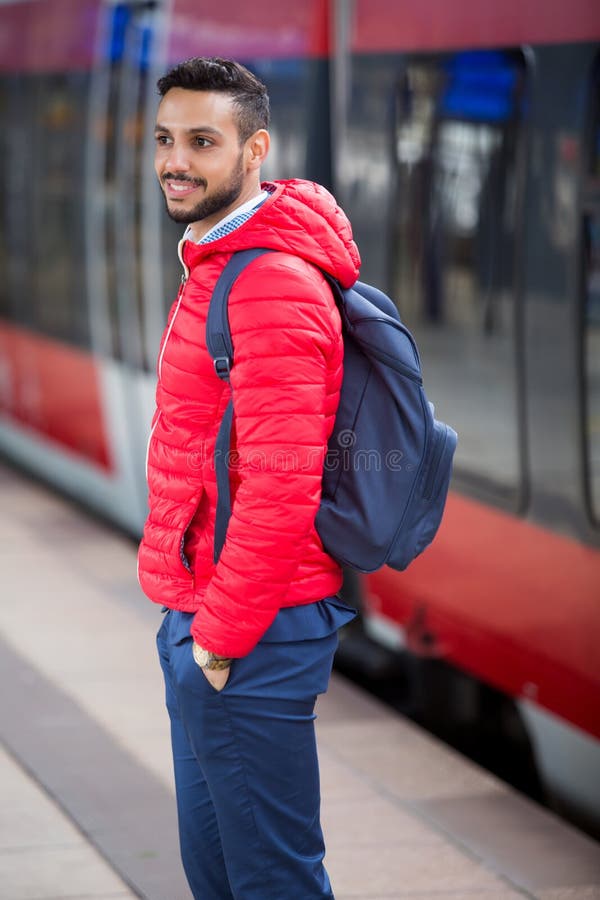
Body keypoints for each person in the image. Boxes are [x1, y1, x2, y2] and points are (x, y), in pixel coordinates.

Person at [137, 56, 360, 900]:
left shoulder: (267, 282)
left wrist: (219, 641)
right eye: (165, 139)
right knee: (223, 877)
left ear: (254, 149)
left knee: (271, 881)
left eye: (202, 141)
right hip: (208, 613)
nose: (176, 161)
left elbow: (280, 483)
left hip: (251, 630)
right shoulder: (218, 262)